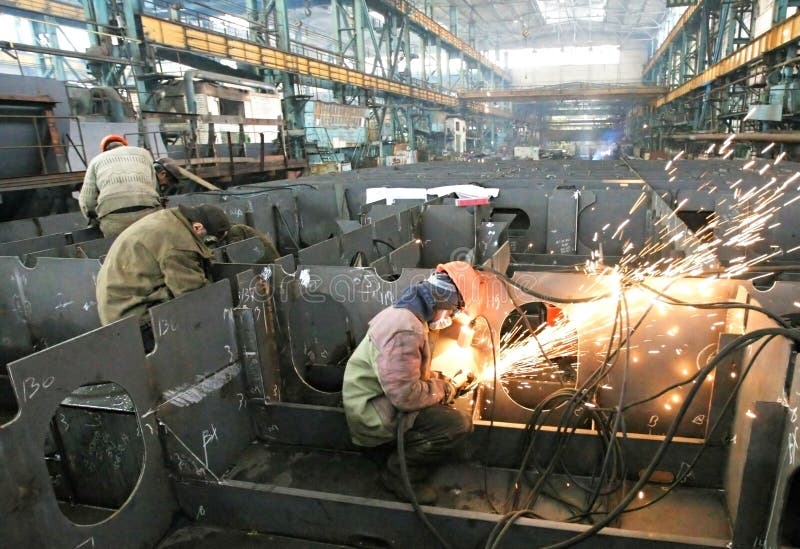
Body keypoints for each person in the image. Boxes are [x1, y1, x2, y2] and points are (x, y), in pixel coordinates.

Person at [342, 268, 476, 504]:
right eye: (454, 311)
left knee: (444, 411)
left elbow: (403, 374)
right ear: (444, 301)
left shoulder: (406, 315)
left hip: (379, 401)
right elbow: (405, 396)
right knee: (456, 424)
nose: (451, 317)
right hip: (373, 418)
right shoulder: (406, 329)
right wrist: (446, 390)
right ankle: (398, 475)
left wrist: (440, 380)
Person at [96, 204, 231, 348]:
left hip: (118, 307)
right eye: (209, 240)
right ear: (197, 227)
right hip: (135, 319)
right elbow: (193, 294)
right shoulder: (179, 244)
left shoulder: (172, 218)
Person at [79, 134, 162, 238]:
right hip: (148, 215)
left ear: (104, 150)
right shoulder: (144, 154)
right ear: (125, 145)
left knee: (119, 249)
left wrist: (93, 217)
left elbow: (87, 202)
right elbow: (154, 187)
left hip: (115, 220)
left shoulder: (95, 161)